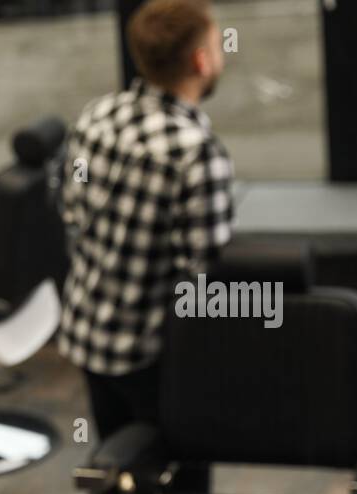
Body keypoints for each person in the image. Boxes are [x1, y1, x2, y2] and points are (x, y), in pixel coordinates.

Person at [58, 0, 234, 443]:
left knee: (118, 463)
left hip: (87, 333)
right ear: (200, 60)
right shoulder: (195, 151)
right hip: (150, 352)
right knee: (181, 481)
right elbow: (204, 272)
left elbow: (71, 213)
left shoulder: (96, 116)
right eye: (217, 46)